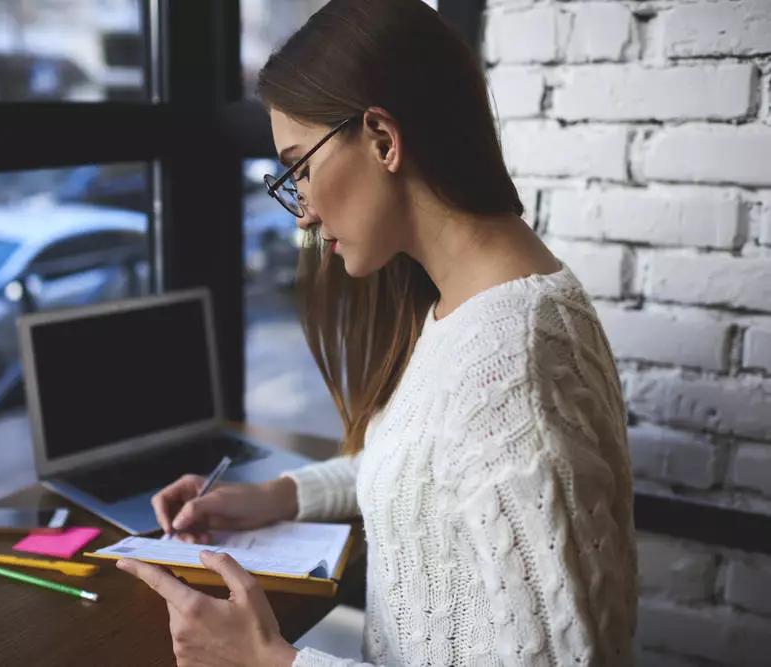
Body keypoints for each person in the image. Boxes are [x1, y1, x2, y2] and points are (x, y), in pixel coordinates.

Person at [115, 0, 638, 665]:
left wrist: (268, 661)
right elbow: (430, 464)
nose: (300, 211)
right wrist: (273, 496)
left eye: (299, 167)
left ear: (382, 139)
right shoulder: (473, 307)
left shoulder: (511, 361)